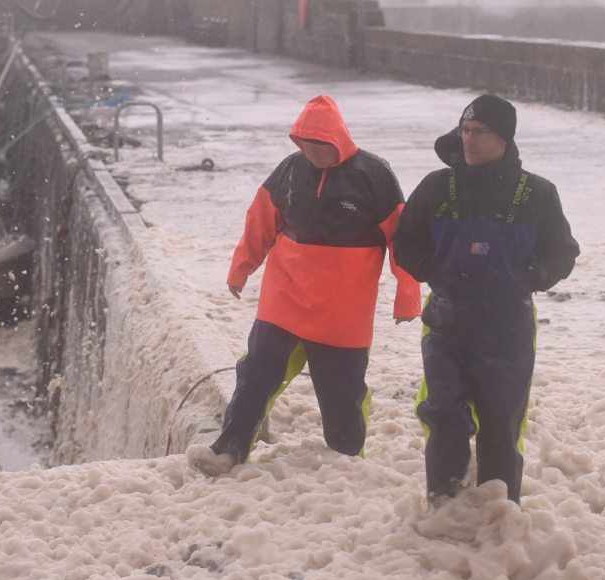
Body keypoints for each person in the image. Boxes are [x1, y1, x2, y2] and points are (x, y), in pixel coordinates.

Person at [187, 94, 421, 476]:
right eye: (305, 145)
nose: (311, 153)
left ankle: (347, 461)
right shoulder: (290, 171)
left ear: (337, 141)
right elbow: (260, 221)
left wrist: (408, 296)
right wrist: (240, 269)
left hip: (342, 311)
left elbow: (403, 238)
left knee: (341, 394)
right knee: (256, 373)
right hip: (284, 298)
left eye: (319, 146)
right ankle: (228, 449)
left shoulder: (374, 176)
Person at [392, 93, 579, 505]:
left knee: (501, 427)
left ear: (505, 138)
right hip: (446, 323)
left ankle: (499, 514)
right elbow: (404, 240)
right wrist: (434, 270)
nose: (468, 140)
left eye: (479, 132)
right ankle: (445, 503)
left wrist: (530, 278)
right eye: (464, 131)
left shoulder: (537, 194)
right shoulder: (437, 187)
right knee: (444, 415)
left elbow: (564, 251)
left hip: (507, 328)